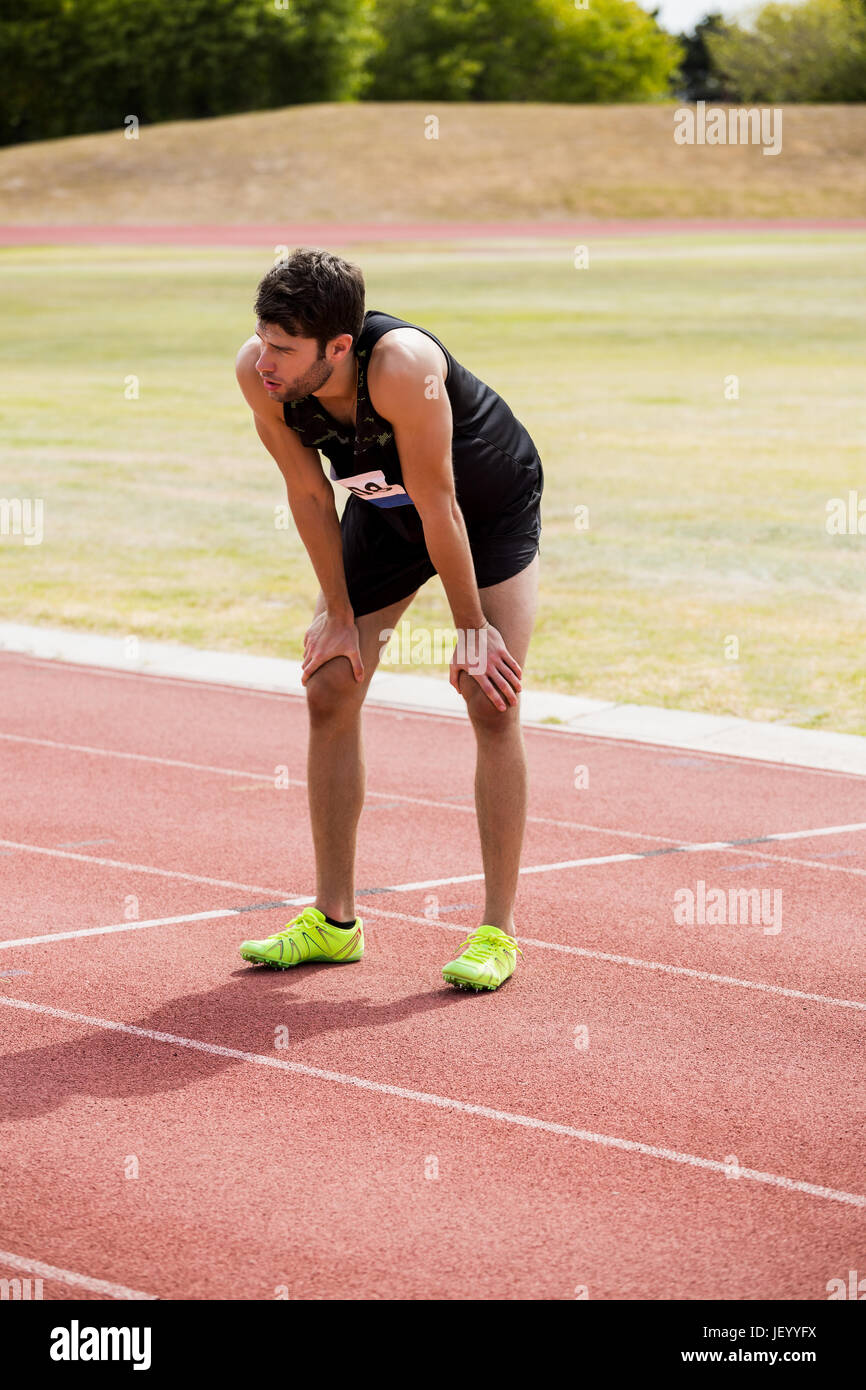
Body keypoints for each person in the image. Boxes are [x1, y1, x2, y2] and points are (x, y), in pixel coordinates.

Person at [234, 248, 543, 991]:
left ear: (339, 347)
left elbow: (442, 502)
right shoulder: (259, 375)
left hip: (484, 508)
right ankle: (334, 922)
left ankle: (496, 931)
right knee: (330, 685)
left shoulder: (402, 366)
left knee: (489, 695)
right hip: (384, 508)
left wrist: (472, 628)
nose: (266, 360)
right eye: (264, 339)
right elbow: (310, 497)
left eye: (285, 348)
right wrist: (338, 614)